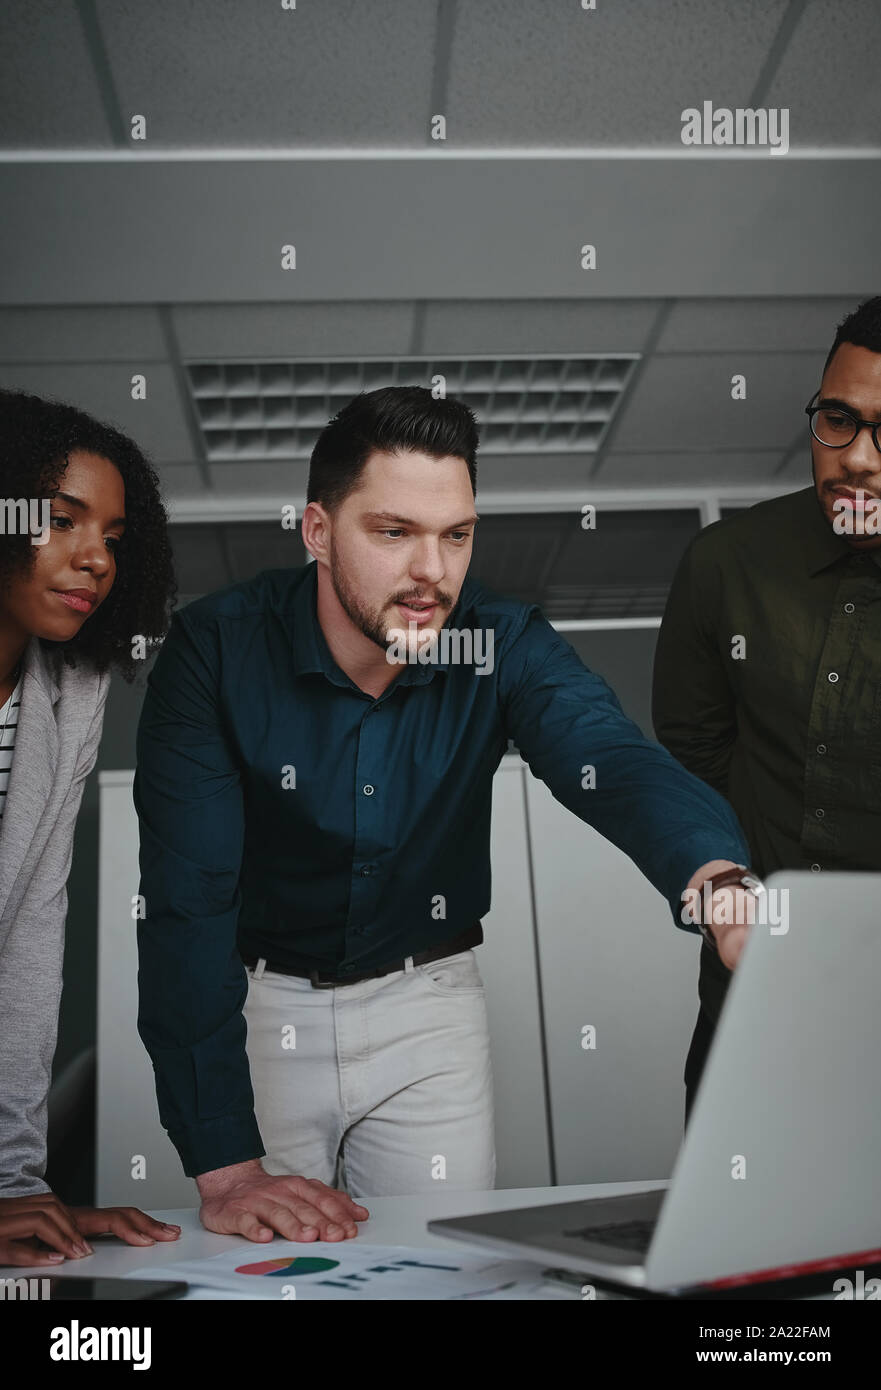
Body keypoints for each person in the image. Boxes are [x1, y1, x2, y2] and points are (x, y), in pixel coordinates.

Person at [135, 385, 760, 1248]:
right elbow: (187, 901)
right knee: (274, 1270)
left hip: (428, 1007)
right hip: (260, 1008)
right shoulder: (213, 649)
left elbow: (609, 759)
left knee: (443, 1266)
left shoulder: (500, 640)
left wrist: (716, 880)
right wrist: (226, 1163)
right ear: (317, 530)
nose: (433, 571)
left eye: (455, 535)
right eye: (393, 533)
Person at [653, 295, 881, 1123]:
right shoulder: (725, 563)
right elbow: (690, 762)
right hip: (757, 1003)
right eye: (837, 419)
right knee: (745, 1246)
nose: (855, 458)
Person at [0, 389, 181, 1268]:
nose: (95, 558)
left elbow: (29, 939)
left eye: (112, 537)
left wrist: (18, 1188)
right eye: (64, 520)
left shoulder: (69, 691)